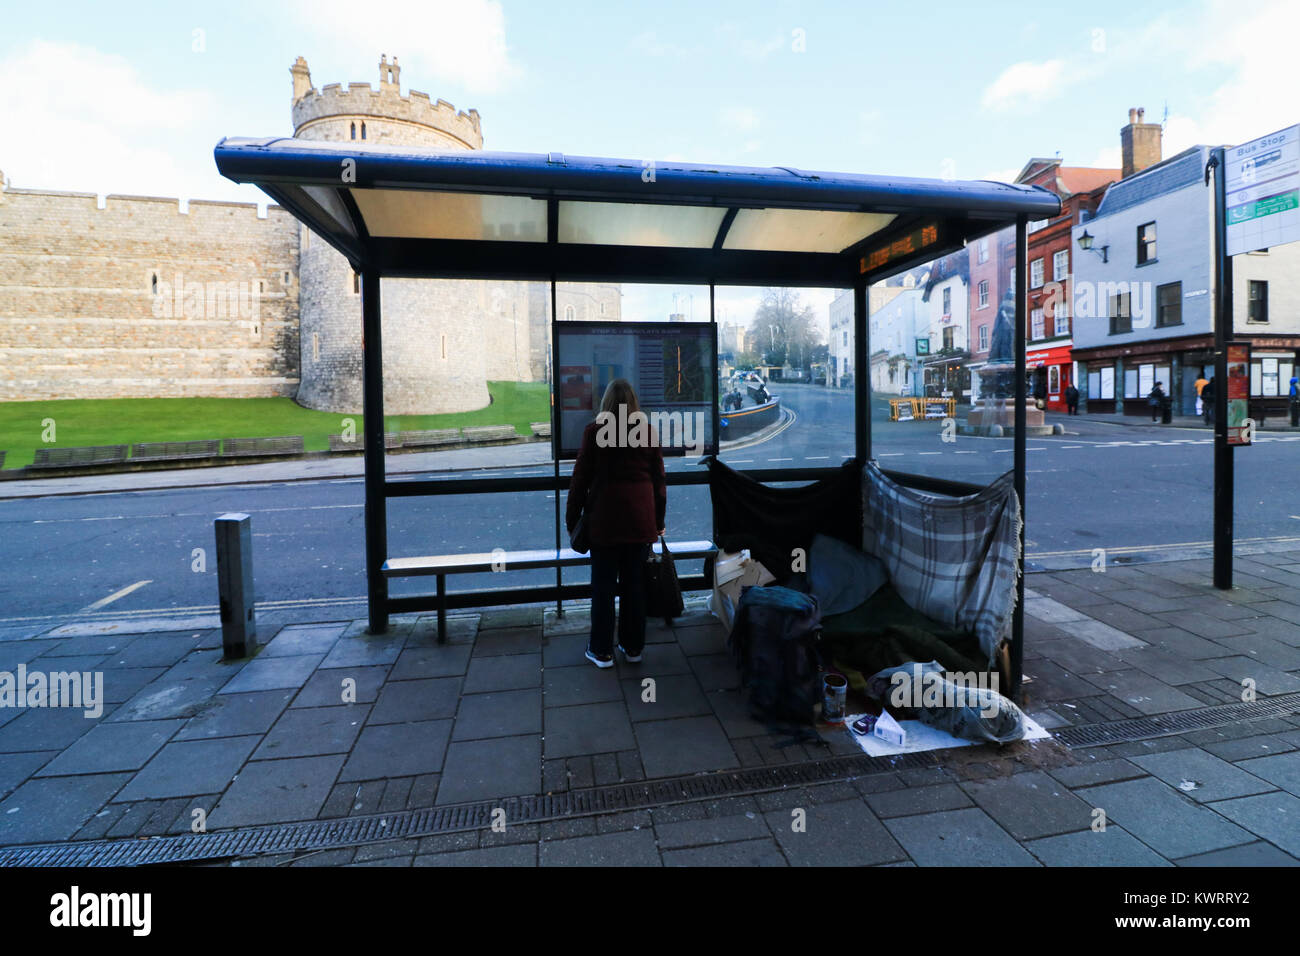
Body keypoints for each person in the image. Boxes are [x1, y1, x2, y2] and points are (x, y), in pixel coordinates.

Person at [566, 379, 667, 669]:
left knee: (603, 587)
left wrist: (572, 520)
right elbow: (659, 482)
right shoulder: (647, 432)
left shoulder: (594, 432)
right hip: (639, 523)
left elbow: (580, 481)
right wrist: (658, 522)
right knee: (635, 588)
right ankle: (633, 647)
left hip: (604, 524)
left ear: (606, 403)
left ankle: (601, 651)